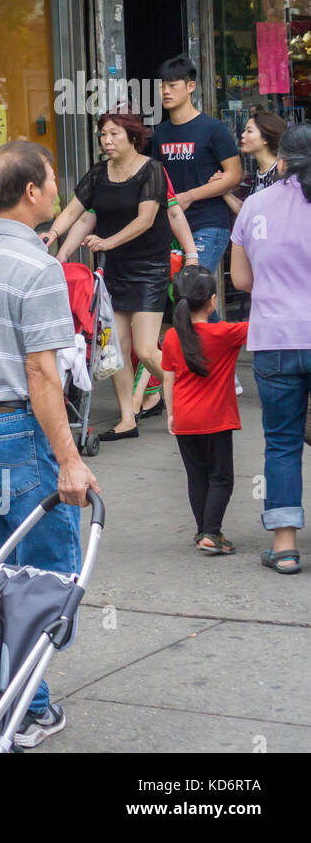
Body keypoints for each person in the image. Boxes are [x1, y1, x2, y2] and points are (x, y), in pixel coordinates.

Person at [0, 139, 100, 749]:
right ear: (32, 192)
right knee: (46, 577)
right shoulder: (39, 267)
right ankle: (27, 707)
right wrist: (70, 460)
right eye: (52, 179)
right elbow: (42, 375)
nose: (57, 187)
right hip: (14, 433)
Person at [47, 111, 175, 441]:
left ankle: (187, 396)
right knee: (112, 350)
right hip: (112, 273)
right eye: (103, 135)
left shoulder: (152, 171)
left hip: (149, 268)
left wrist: (107, 242)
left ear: (133, 136)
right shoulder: (99, 175)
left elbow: (146, 220)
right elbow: (78, 213)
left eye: (114, 134)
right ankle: (127, 419)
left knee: (146, 350)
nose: (107, 141)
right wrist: (54, 238)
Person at [230, 123, 311, 576]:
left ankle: (284, 547)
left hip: (275, 340)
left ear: (281, 159)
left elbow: (241, 281)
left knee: (281, 443)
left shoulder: (255, 206)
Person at [161, 266, 248, 557]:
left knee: (197, 477)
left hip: (184, 419)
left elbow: (168, 378)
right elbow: (262, 324)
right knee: (221, 478)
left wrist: (171, 414)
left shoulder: (173, 337)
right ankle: (211, 533)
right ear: (212, 301)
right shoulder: (225, 333)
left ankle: (203, 530)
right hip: (216, 420)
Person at [151, 55, 242, 318]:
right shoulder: (161, 133)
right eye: (162, 86)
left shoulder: (213, 129)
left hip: (209, 224)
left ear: (191, 87)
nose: (165, 91)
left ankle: (214, 351)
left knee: (191, 290)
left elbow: (233, 175)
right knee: (189, 296)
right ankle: (215, 348)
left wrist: (190, 196)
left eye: (172, 85)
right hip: (175, 228)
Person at [218, 109, 287, 217]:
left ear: (265, 139)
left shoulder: (281, 172)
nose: (243, 135)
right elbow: (249, 213)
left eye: (249, 131)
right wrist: (222, 189)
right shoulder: (259, 173)